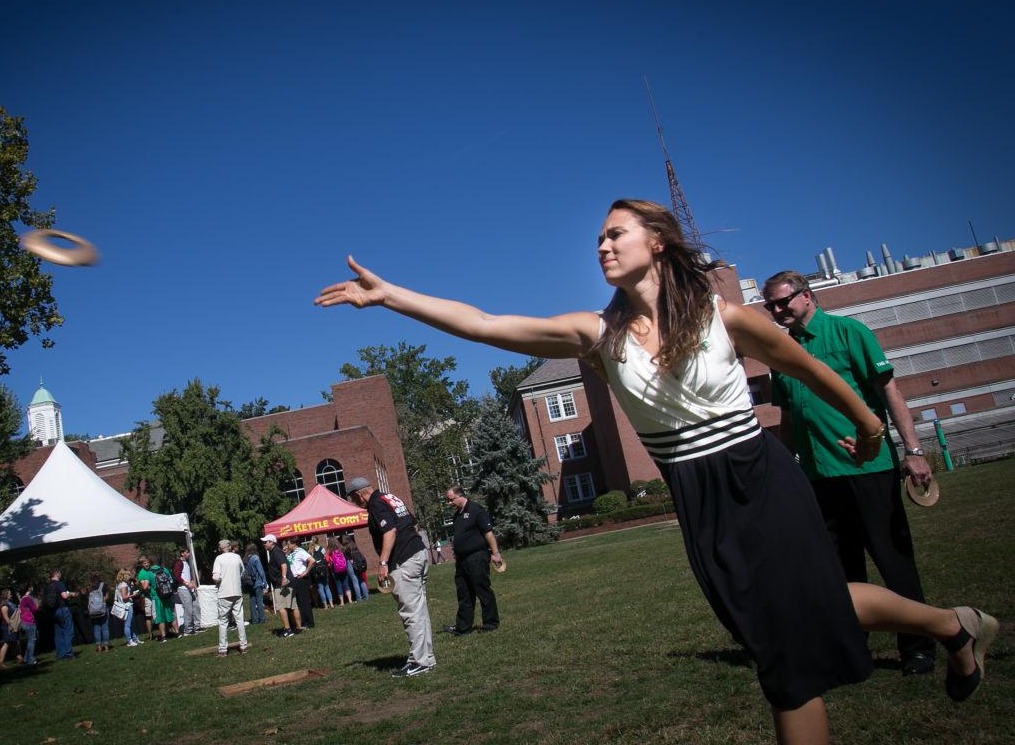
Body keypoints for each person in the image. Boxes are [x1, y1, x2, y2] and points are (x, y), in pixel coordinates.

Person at [316, 199, 997, 739]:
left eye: (617, 234)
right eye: (600, 241)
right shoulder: (595, 333)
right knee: (815, 606)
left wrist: (872, 423)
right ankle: (952, 625)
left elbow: (808, 368)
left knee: (783, 659)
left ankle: (948, 628)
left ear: (658, 243)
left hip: (759, 478)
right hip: (697, 498)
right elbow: (486, 323)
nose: (604, 245)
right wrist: (392, 297)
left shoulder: (724, 317)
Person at [763, 269, 938, 676]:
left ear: (807, 296)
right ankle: (853, 647)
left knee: (893, 562)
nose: (776, 310)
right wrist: (784, 470)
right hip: (818, 478)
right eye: (769, 305)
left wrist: (914, 451)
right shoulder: (783, 354)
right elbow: (790, 418)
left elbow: (888, 391)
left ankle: (918, 647)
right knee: (841, 570)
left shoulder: (848, 333)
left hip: (867, 468)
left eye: (782, 301)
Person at [345, 476, 435, 678]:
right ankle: (426, 659)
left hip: (404, 561)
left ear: (360, 494)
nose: (354, 503)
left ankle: (419, 662)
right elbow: (412, 521)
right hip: (418, 553)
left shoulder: (376, 503)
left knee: (411, 613)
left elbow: (389, 530)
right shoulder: (390, 497)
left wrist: (383, 562)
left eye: (353, 498)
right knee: (419, 610)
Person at [443, 485, 502, 635]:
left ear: (460, 495)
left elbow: (488, 533)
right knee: (464, 593)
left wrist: (495, 553)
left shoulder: (476, 510)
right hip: (462, 561)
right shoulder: (457, 515)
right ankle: (463, 627)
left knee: (482, 590)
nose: (449, 503)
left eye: (451, 500)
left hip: (477, 557)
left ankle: (490, 623)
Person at [211, 539, 250, 656]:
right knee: (240, 620)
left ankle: (223, 649)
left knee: (223, 621)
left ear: (220, 548)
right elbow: (243, 572)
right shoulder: (237, 557)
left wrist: (218, 580)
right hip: (237, 591)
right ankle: (243, 646)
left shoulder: (219, 559)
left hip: (224, 592)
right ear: (229, 547)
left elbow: (216, 577)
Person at [261, 535, 299, 637]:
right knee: (292, 605)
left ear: (272, 542)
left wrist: (283, 577)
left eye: (266, 542)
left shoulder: (276, 552)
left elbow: (284, 565)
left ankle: (288, 629)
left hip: (283, 584)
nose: (264, 544)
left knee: (281, 606)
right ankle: (298, 627)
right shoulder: (275, 551)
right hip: (286, 583)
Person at [137, 555, 176, 642]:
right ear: (142, 564)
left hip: (155, 596)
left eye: (147, 562)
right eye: (144, 563)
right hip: (158, 595)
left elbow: (144, 586)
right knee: (151, 616)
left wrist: (151, 587)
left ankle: (164, 635)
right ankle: (152, 635)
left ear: (150, 563)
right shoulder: (143, 573)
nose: (146, 564)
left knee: (158, 616)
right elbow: (171, 580)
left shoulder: (148, 573)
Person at [282, 538, 316, 630]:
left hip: (301, 579)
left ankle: (309, 622)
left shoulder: (300, 551)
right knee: (296, 603)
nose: (287, 546)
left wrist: (306, 571)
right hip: (293, 580)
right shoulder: (290, 553)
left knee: (304, 602)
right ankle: (299, 622)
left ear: (294, 544)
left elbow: (312, 560)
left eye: (288, 544)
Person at [46, 569, 78, 660]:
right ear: (56, 574)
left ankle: (60, 654)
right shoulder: (59, 584)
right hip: (62, 609)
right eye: (60, 572)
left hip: (53, 611)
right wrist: (71, 594)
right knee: (68, 631)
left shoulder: (48, 586)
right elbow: (64, 595)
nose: (61, 574)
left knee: (58, 633)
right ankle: (68, 654)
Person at [172, 547, 201, 636]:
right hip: (183, 589)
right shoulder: (179, 563)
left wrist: (193, 584)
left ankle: (197, 626)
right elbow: (177, 576)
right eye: (187, 553)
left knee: (196, 606)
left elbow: (188, 576)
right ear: (182, 553)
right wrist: (186, 584)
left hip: (190, 589)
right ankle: (188, 629)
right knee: (188, 608)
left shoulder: (186, 563)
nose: (189, 554)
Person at [242, 543, 268, 625]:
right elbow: (260, 571)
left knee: (252, 601)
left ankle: (254, 619)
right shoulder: (255, 558)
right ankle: (262, 618)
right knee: (259, 601)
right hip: (257, 581)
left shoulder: (245, 559)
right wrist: (264, 581)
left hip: (249, 583)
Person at [114, 569, 141, 647]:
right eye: (128, 575)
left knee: (129, 624)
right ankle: (129, 641)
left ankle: (134, 638)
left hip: (124, 606)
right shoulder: (124, 585)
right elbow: (124, 597)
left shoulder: (119, 585)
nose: (130, 577)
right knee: (128, 624)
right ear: (125, 575)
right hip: (127, 606)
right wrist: (133, 595)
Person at [0, 589, 20, 668]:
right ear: (6, 595)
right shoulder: (4, 605)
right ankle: (0, 662)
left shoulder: (9, 603)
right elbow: (6, 617)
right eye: (9, 594)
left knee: (13, 642)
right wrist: (10, 625)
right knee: (7, 643)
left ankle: (19, 658)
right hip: (7, 626)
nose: (11, 595)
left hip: (11, 625)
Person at [86, 574, 111, 652]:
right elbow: (107, 597)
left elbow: (88, 599)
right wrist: (101, 601)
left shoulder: (89, 587)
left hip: (93, 611)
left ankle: (99, 647)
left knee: (96, 629)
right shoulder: (103, 585)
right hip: (102, 609)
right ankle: (106, 647)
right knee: (105, 628)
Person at [327, 538, 354, 605]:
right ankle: (350, 600)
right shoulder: (342, 549)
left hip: (335, 570)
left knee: (338, 585)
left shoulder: (330, 551)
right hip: (344, 569)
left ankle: (342, 602)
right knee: (346, 584)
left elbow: (328, 560)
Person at [18, 585, 39, 665]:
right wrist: (37, 604)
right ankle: (31, 659)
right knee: (31, 641)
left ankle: (26, 658)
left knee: (29, 641)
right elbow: (35, 608)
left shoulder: (23, 599)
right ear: (29, 588)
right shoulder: (27, 598)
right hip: (29, 621)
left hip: (24, 622)